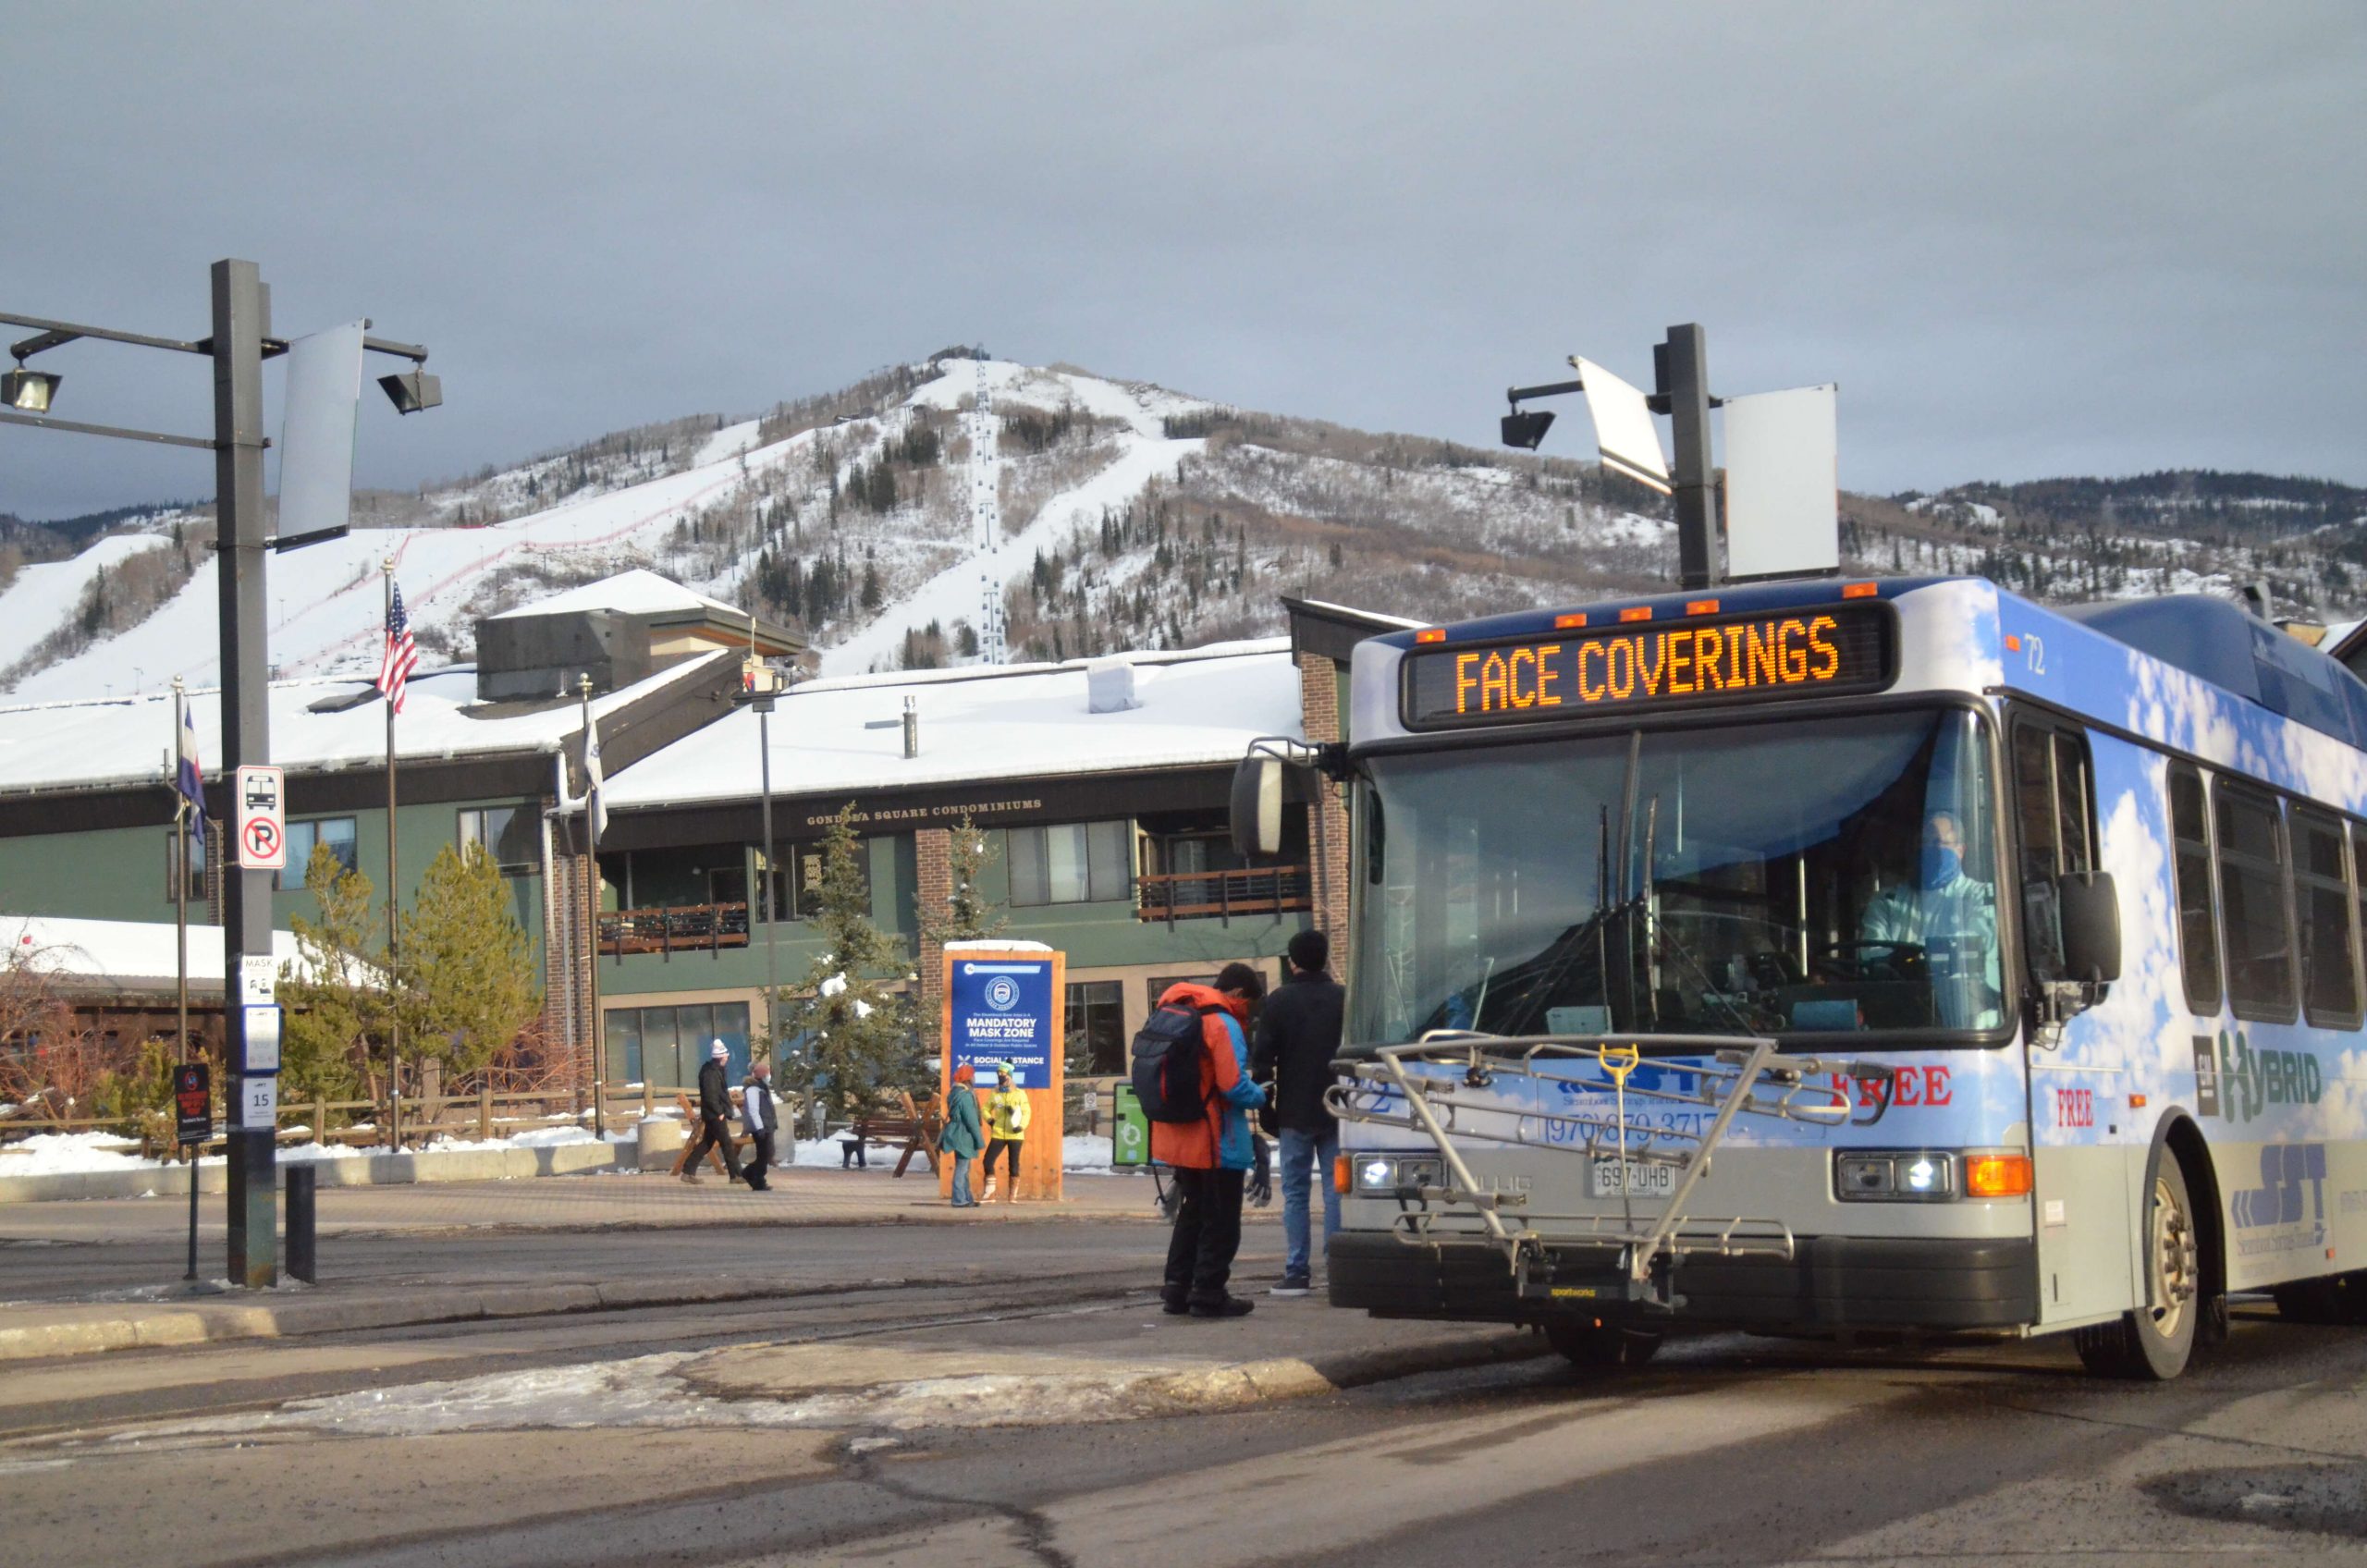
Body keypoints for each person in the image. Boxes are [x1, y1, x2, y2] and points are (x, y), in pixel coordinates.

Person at [1153, 962, 1269, 1318]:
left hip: (1180, 1134)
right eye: (1247, 1003)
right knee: (1221, 1219)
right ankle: (1208, 1292)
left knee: (1193, 1211)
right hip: (1216, 1138)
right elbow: (1232, 1085)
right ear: (1236, 993)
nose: (1246, 1011)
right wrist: (1261, 1095)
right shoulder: (1221, 1022)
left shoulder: (1175, 1014)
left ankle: (1177, 1288)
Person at [1252, 929, 1344, 1296]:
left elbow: (1263, 1060)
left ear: (1292, 962)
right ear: (1324, 958)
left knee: (1295, 1192)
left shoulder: (1279, 1001)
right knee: (1337, 1190)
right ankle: (1338, 1267)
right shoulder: (1344, 998)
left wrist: (1267, 1104)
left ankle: (1297, 1270)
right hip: (1338, 1106)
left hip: (1294, 1110)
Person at [1860, 810, 2003, 1027]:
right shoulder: (1887, 901)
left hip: (1967, 1025)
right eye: (1923, 843)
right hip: (1897, 1023)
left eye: (1939, 842)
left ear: (1960, 850)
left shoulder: (1981, 896)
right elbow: (1871, 953)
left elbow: (1972, 950)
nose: (1930, 849)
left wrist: (1911, 960)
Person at [681, 1040, 744, 1185]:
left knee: (707, 1143)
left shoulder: (715, 1070)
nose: (728, 1058)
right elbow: (711, 1095)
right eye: (726, 1056)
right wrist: (719, 1112)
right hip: (715, 1114)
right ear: (721, 1057)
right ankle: (736, 1175)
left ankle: (688, 1171)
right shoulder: (711, 1073)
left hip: (713, 1113)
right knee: (727, 1143)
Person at [981, 1062, 1030, 1204]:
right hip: (998, 1133)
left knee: (1013, 1164)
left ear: (1009, 1076)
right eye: (998, 1073)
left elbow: (1026, 1112)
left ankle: (1012, 1195)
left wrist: (1021, 1126)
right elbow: (985, 1109)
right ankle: (990, 1194)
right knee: (988, 1161)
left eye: (1003, 1073)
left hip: (1015, 1134)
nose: (1000, 1076)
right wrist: (990, 1120)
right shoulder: (995, 1093)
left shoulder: (1020, 1094)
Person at [941, 1062, 985, 1207]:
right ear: (968, 1078)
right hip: (963, 1134)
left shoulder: (954, 1092)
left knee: (964, 1167)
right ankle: (959, 1200)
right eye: (973, 1076)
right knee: (962, 1168)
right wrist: (979, 1140)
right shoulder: (965, 1096)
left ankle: (966, 1198)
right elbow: (971, 1120)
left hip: (955, 1132)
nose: (974, 1078)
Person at [740, 1058, 778, 1191]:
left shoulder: (762, 1088)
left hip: (766, 1125)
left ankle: (756, 1179)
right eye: (767, 1074)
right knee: (763, 1156)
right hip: (760, 1127)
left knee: (764, 1155)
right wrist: (760, 1128)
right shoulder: (753, 1089)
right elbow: (754, 1110)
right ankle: (750, 1175)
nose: (769, 1076)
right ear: (761, 1076)